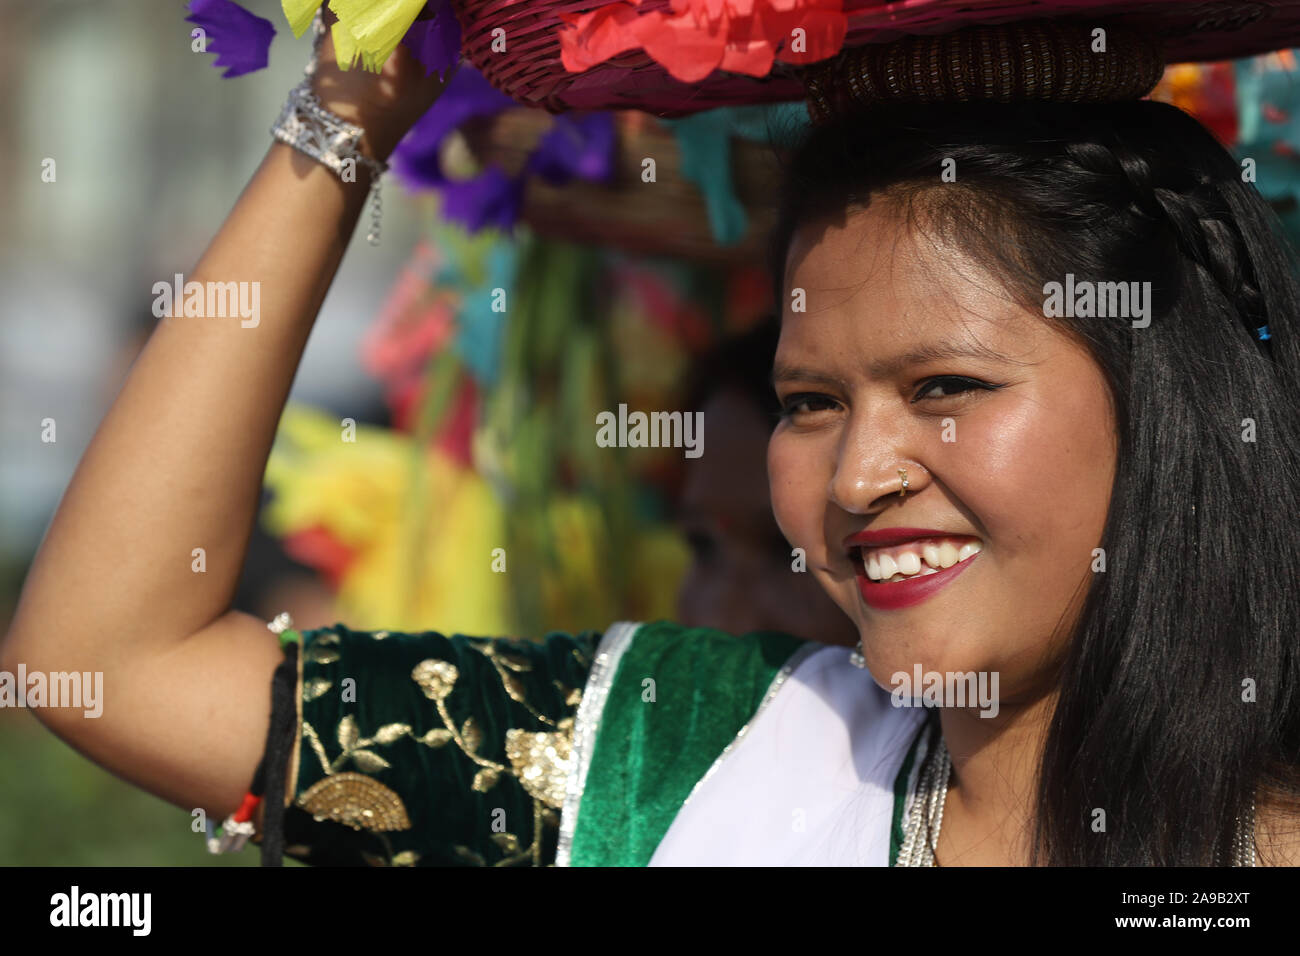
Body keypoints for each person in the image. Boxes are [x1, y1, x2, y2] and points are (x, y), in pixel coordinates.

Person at [5, 17, 1300, 867]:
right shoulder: (671, 757)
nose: (857, 479)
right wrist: (349, 114)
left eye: (947, 384)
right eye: (810, 402)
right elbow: (103, 663)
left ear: (1167, 404)